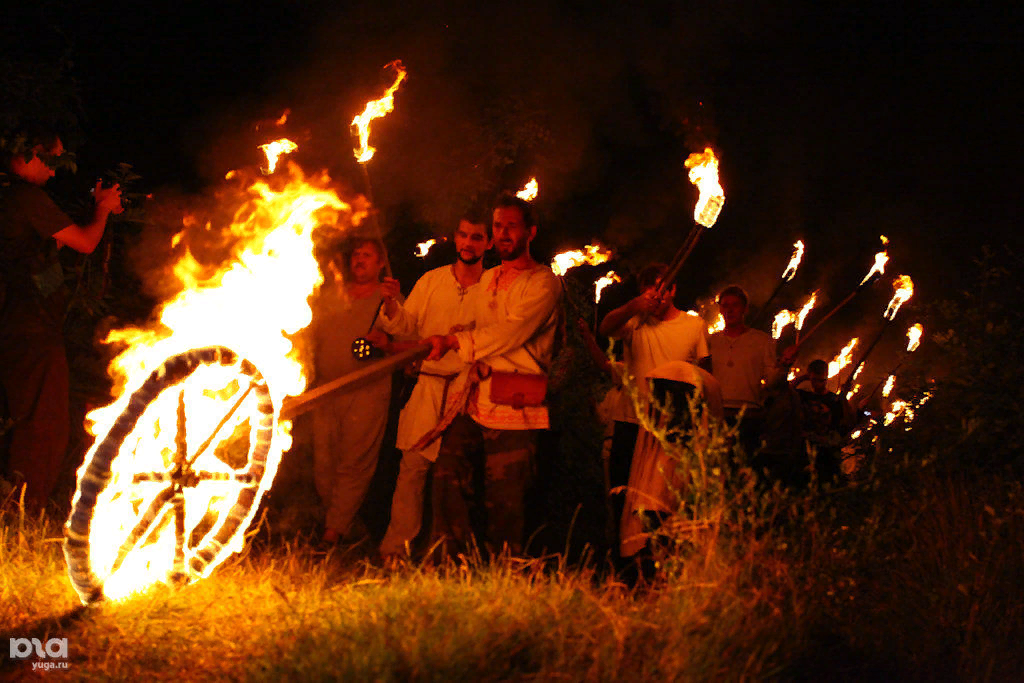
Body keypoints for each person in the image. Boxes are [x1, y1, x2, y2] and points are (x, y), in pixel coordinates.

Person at [420, 194, 561, 556]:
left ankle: (508, 574)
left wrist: (456, 340)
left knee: (508, 500)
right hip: (474, 399)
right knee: (447, 479)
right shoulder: (489, 278)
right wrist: (454, 335)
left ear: (530, 232)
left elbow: (509, 333)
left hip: (516, 404)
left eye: (511, 226)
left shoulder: (543, 283)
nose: (502, 234)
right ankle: (452, 566)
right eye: (497, 226)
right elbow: (483, 328)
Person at [0, 131, 122, 511]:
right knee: (44, 424)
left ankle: (17, 502)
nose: (55, 173)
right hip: (29, 327)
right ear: (31, 154)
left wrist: (93, 211)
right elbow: (85, 242)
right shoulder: (24, 197)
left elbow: (53, 246)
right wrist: (102, 209)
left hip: (23, 325)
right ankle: (22, 507)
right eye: (51, 161)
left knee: (31, 418)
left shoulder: (12, 199)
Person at [376, 212, 492, 558]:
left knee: (457, 478)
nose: (468, 243)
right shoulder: (431, 281)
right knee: (411, 472)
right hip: (427, 386)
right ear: (455, 239)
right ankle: (396, 550)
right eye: (463, 235)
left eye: (476, 237)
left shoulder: (494, 286)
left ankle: (449, 553)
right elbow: (407, 329)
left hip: (468, 390)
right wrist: (390, 303)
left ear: (487, 243)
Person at [598, 263, 710, 549]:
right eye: (649, 294)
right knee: (621, 493)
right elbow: (605, 327)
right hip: (630, 421)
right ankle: (620, 558)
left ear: (672, 291)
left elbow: (705, 374)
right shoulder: (635, 321)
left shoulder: (693, 325)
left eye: (661, 293)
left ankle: (658, 558)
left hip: (670, 428)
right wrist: (635, 305)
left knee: (661, 500)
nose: (656, 300)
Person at [309, 237, 395, 545]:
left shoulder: (388, 299)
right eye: (356, 254)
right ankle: (346, 526)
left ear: (380, 263)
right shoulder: (332, 296)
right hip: (326, 391)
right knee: (323, 466)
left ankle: (331, 536)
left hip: (366, 392)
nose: (360, 260)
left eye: (367, 255)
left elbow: (404, 335)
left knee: (353, 464)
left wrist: (392, 307)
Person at [708, 285, 794, 457]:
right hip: (716, 415)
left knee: (743, 471)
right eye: (725, 305)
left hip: (749, 417)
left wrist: (785, 365)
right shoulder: (711, 341)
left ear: (745, 309)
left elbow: (772, 381)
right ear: (720, 310)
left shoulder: (763, 341)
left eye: (735, 305)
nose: (730, 310)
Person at [790, 359, 853, 483]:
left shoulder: (833, 399)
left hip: (827, 448)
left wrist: (844, 398)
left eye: (822, 380)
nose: (818, 384)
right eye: (814, 380)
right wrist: (803, 377)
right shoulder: (804, 396)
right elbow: (787, 389)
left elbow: (848, 421)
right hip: (807, 447)